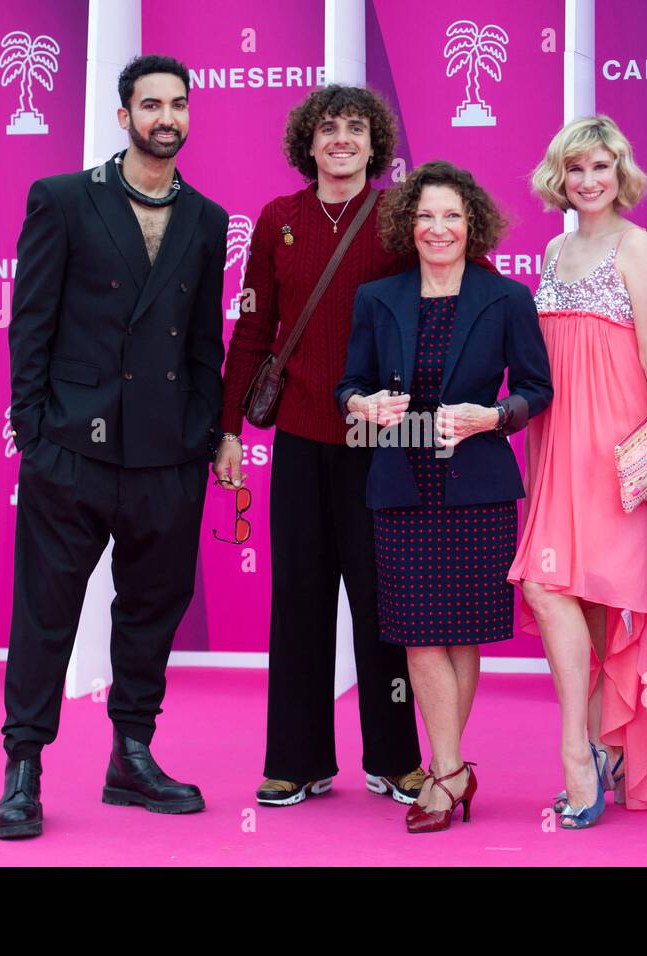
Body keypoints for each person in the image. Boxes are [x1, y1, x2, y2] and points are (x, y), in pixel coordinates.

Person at [0, 55, 227, 839]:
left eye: (179, 105)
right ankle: (22, 768)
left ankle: (132, 755)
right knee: (45, 612)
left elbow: (203, 345)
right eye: (151, 104)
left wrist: (203, 433)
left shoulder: (206, 217)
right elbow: (32, 322)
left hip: (167, 456)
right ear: (123, 116)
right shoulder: (63, 199)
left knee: (153, 610)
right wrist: (34, 430)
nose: (167, 116)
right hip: (72, 451)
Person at [214, 85, 426, 808]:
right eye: (328, 128)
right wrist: (228, 429)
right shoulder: (279, 221)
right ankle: (297, 761)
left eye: (356, 129)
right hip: (303, 439)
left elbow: (452, 290)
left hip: (383, 441)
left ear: (376, 145)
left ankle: (396, 760)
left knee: (383, 603)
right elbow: (252, 331)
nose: (341, 139)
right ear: (307, 144)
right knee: (300, 600)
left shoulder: (402, 216)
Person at [337, 161, 553, 833]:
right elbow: (348, 385)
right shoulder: (378, 298)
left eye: (451, 216)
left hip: (478, 486)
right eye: (426, 215)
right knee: (419, 638)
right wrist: (364, 404)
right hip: (402, 484)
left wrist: (494, 417)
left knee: (460, 637)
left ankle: (446, 772)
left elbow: (537, 391)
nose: (438, 228)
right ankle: (449, 772)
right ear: (410, 223)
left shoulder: (507, 297)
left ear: (473, 224)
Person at [508, 117, 647, 829]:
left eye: (601, 168)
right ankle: (597, 750)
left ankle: (583, 753)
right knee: (558, 588)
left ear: (620, 173)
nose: (589, 181)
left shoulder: (635, 245)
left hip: (615, 445)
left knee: (599, 603)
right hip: (555, 439)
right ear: (561, 175)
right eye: (576, 169)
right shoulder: (553, 247)